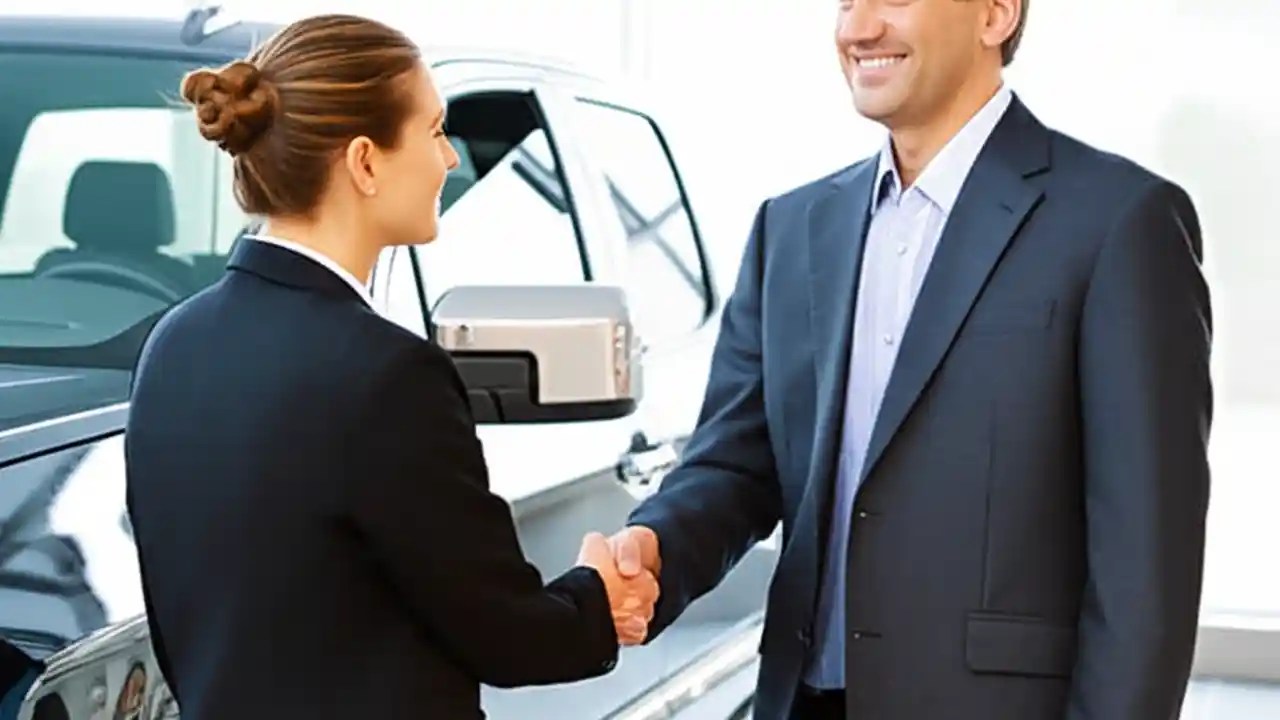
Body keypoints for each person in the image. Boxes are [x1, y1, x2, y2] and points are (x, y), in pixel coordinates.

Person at [598, 1, 1212, 718]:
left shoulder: (1117, 223)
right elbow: (736, 465)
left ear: (994, 14)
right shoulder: (792, 228)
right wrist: (653, 546)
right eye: (846, 1)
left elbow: (1146, 569)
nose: (857, 29)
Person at [124, 14, 656, 719]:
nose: (450, 160)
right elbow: (504, 634)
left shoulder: (171, 345)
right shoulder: (387, 373)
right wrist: (597, 596)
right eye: (436, 131)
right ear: (365, 162)